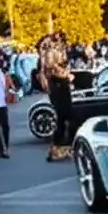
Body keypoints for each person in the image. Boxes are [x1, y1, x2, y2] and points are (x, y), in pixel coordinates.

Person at [40, 32, 74, 161]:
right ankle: (57, 147)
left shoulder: (56, 50)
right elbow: (51, 68)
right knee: (62, 116)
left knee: (66, 116)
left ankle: (63, 146)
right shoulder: (51, 51)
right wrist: (65, 73)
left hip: (60, 83)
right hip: (57, 83)